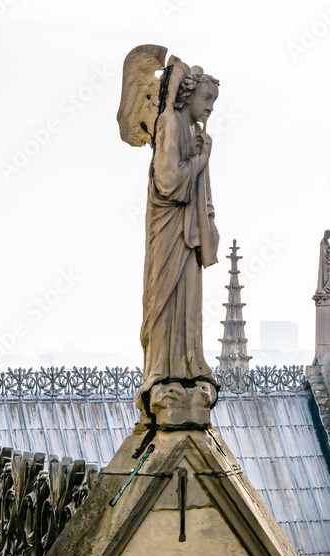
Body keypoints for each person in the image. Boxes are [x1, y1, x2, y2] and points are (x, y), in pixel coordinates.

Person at [139, 60, 221, 394]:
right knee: (165, 298)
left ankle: (188, 365)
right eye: (207, 100)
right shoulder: (170, 123)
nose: (210, 109)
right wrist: (201, 161)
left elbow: (203, 191)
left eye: (214, 103)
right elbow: (169, 181)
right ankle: (161, 370)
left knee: (189, 299)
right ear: (189, 96)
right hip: (170, 229)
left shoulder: (197, 134)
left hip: (188, 233)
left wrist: (210, 224)